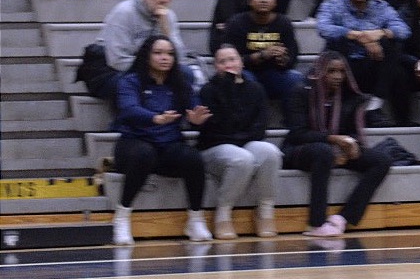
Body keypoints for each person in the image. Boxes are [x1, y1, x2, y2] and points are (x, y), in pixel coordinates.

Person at [111, 36, 211, 245]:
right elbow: (128, 109)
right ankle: (122, 216)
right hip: (133, 143)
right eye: (158, 53)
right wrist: (154, 118)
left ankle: (195, 218)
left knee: (193, 158)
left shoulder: (180, 83)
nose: (165, 58)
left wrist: (196, 120)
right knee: (144, 154)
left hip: (168, 145)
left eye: (169, 54)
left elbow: (194, 108)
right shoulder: (130, 81)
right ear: (146, 55)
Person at [282, 50, 394, 237]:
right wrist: (333, 140)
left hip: (334, 150)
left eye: (341, 71)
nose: (337, 76)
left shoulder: (349, 96)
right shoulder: (301, 91)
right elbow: (297, 134)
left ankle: (343, 218)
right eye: (331, 71)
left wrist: (352, 145)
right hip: (299, 150)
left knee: (382, 160)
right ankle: (316, 224)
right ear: (320, 71)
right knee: (324, 152)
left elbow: (353, 131)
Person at [196, 45, 283, 240]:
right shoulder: (208, 91)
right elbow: (215, 129)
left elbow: (260, 126)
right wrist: (228, 86)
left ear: (241, 63)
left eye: (232, 59)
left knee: (271, 152)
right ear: (215, 66)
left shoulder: (256, 88)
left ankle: (265, 210)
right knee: (242, 158)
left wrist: (237, 137)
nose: (228, 64)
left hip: (243, 143)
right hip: (213, 148)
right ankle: (223, 213)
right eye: (222, 61)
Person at [317, 0, 411, 124]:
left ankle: (377, 106)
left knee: (396, 64)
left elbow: (404, 31)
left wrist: (380, 33)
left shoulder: (381, 7)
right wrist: (358, 36)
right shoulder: (332, 5)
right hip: (343, 62)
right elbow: (323, 28)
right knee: (339, 40)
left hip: (371, 64)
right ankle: (349, 109)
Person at [101, 0, 198, 89]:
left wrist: (166, 30)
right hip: (115, 70)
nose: (164, 0)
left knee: (186, 74)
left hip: (154, 68)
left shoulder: (169, 16)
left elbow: (180, 58)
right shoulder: (124, 13)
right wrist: (153, 67)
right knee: (130, 82)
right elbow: (117, 60)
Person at [220, 0, 303, 108]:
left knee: (295, 78)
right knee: (245, 81)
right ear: (249, 1)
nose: (264, 0)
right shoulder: (236, 23)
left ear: (275, 2)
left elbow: (292, 56)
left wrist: (283, 59)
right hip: (246, 71)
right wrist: (262, 55)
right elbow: (229, 60)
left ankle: (290, 117)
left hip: (273, 72)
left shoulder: (284, 23)